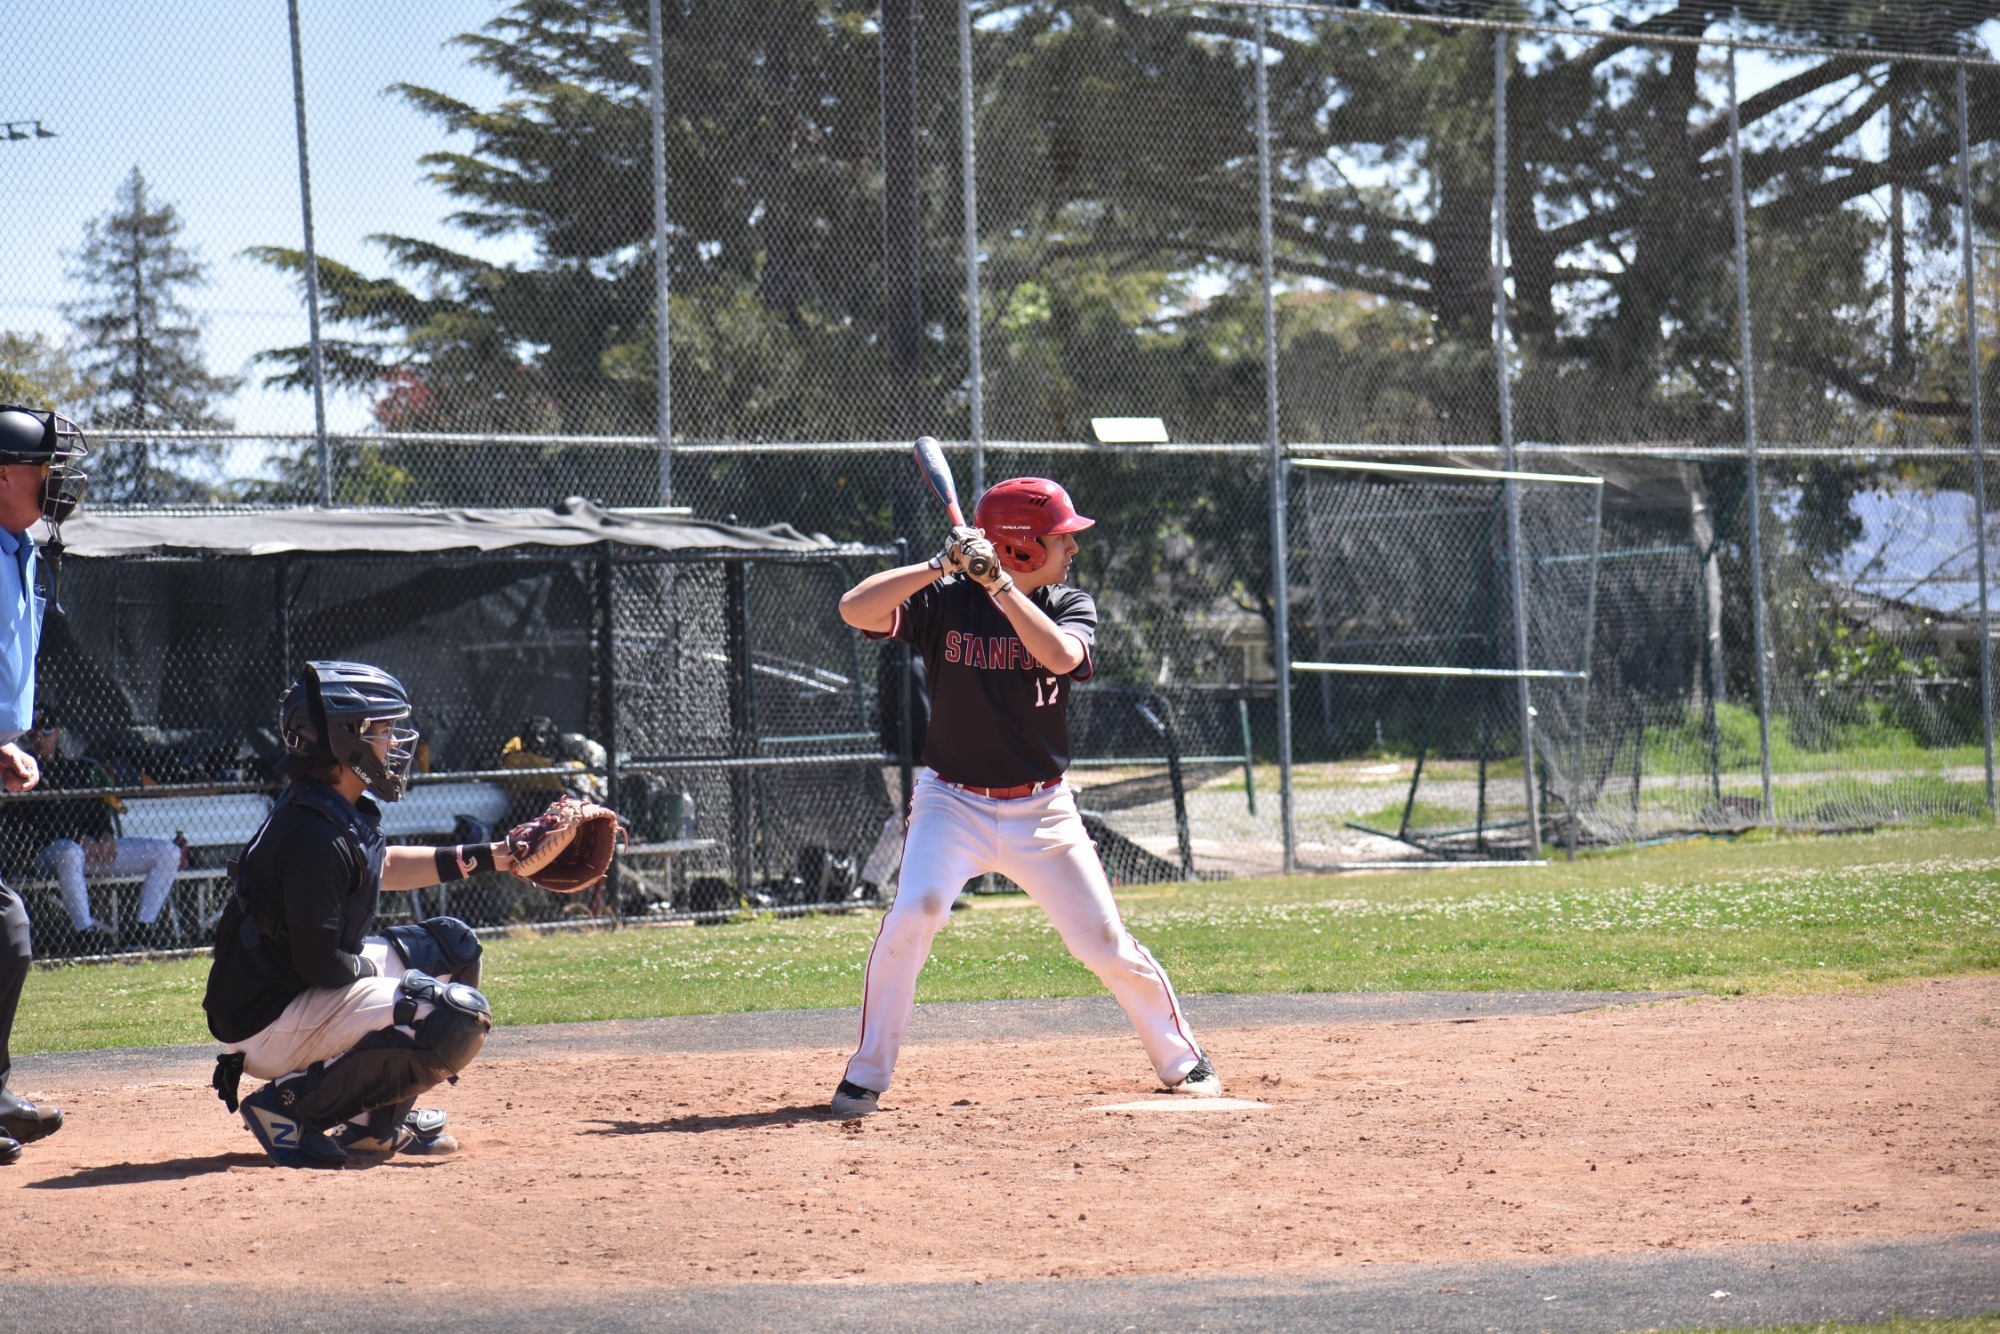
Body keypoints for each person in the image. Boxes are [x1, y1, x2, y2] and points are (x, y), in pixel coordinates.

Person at [829, 477, 1219, 1116]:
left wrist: (1002, 587)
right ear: (1022, 547)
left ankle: (1181, 1060)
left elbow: (1063, 658)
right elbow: (855, 609)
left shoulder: (1070, 603)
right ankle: (866, 1074)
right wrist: (941, 565)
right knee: (916, 912)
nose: (1072, 547)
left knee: (1101, 940)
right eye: (1061, 538)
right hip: (951, 802)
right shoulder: (946, 601)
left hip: (1043, 810)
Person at [203, 660, 520, 1167]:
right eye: (383, 729)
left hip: (297, 986)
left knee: (451, 949)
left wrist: (494, 855)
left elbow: (382, 866)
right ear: (344, 737)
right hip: (269, 1018)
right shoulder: (314, 832)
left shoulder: (331, 806)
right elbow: (322, 965)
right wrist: (386, 976)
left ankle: (370, 1127)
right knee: (448, 1015)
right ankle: (287, 1108)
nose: (396, 743)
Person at [0, 404, 88, 1166]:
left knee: (6, 933)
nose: (58, 482)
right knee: (7, 930)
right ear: (2, 474)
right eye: (43, 468)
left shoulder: (23, 550)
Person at [14, 711, 183, 952]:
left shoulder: (80, 770)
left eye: (47, 729)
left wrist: (106, 837)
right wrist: (80, 840)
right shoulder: (22, 773)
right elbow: (38, 826)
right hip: (51, 856)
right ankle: (86, 934)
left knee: (169, 853)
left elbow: (98, 811)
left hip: (91, 853)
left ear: (59, 731)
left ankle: (143, 930)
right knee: (71, 853)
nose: (40, 736)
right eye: (34, 731)